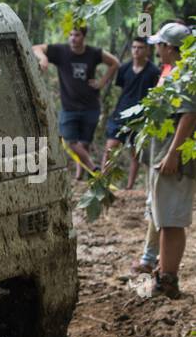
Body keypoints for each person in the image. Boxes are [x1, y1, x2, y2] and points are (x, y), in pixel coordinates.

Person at [135, 21, 196, 299]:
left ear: (169, 48)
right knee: (163, 218)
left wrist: (173, 154)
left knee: (171, 220)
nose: (156, 49)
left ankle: (168, 279)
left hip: (171, 160)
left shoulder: (182, 77)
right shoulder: (170, 73)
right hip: (161, 156)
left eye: (159, 45)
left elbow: (189, 115)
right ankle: (162, 271)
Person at [34, 25, 120, 178]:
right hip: (69, 107)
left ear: (84, 37)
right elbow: (36, 48)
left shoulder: (93, 53)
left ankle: (79, 176)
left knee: (83, 143)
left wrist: (102, 82)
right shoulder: (61, 51)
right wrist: (43, 58)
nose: (73, 38)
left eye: (77, 35)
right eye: (71, 35)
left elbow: (115, 63)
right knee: (70, 142)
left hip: (90, 106)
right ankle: (94, 169)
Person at [101, 37, 161, 189]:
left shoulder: (154, 71)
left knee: (136, 152)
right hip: (121, 113)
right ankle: (102, 181)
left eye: (140, 47)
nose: (136, 50)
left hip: (142, 116)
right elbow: (122, 88)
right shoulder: (124, 69)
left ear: (147, 50)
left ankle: (129, 187)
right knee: (111, 146)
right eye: (134, 47)